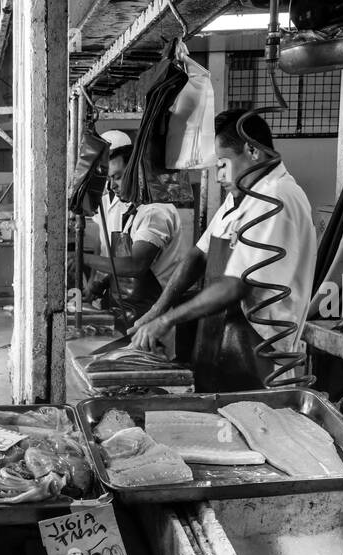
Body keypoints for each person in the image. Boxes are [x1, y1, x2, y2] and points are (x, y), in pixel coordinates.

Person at [130, 109, 317, 392]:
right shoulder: (239, 197)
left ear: (252, 151)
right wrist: (158, 309)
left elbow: (235, 286)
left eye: (222, 164)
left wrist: (168, 321)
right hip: (221, 348)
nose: (218, 177)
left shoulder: (276, 197)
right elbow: (198, 254)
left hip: (260, 358)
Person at [81, 130, 185, 330]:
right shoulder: (132, 211)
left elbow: (135, 265)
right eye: (109, 179)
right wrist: (100, 285)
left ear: (136, 172)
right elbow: (122, 266)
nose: (112, 186)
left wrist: (82, 258)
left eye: (118, 177)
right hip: (126, 315)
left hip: (150, 322)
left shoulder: (156, 211)